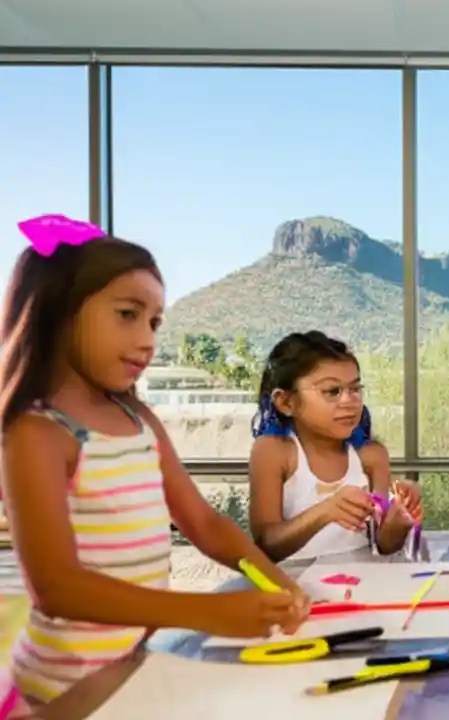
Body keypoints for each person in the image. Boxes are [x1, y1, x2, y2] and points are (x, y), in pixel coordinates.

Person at [0, 215, 307, 707]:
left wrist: (281, 583)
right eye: (128, 314)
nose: (147, 339)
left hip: (132, 664)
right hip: (64, 687)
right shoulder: (37, 433)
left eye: (155, 322)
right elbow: (56, 588)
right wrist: (208, 614)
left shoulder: (137, 417)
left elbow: (204, 523)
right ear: (61, 310)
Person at [248, 331, 422, 561]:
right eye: (332, 391)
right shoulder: (273, 451)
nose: (349, 401)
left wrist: (400, 519)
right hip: (293, 589)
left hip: (361, 586)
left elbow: (384, 545)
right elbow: (266, 544)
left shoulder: (372, 456)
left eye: (355, 389)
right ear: (286, 402)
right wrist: (326, 511)